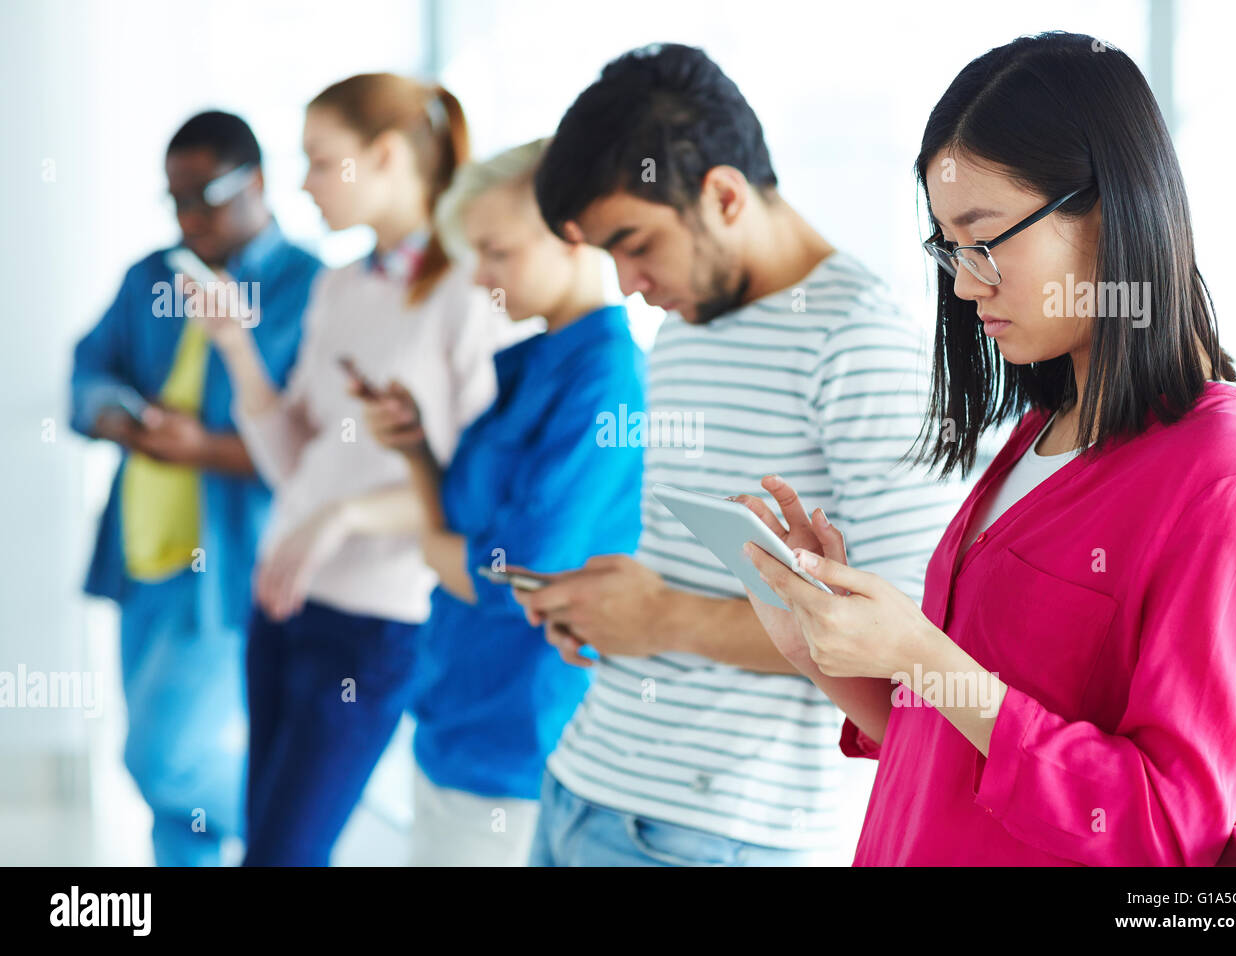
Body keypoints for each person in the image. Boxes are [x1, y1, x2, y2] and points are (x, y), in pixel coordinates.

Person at [739, 31, 1236, 866]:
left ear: (1110, 209)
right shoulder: (1040, 430)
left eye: (985, 239)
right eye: (949, 249)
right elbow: (955, 742)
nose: (964, 286)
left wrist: (924, 653)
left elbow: (1166, 832)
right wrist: (822, 650)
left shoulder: (1222, 485)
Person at [511, 44, 966, 866]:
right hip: (585, 779)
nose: (625, 284)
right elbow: (686, 563)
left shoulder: (860, 338)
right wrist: (605, 606)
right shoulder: (685, 329)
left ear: (722, 194)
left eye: (634, 243)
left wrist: (661, 619)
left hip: (714, 834)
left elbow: (912, 632)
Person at [202, 74, 512, 866]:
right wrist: (237, 350)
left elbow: (471, 492)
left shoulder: (473, 293)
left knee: (282, 855)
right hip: (282, 594)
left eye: (318, 159)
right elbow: (297, 462)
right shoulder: (341, 284)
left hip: (374, 621)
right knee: (261, 845)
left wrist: (340, 517)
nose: (301, 183)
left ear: (384, 157)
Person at [355, 138, 646, 865]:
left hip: (522, 735)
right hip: (459, 709)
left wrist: (438, 550)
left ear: (573, 237)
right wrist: (416, 451)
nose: (480, 278)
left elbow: (521, 579)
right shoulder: (532, 366)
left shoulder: (606, 383)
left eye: (497, 253)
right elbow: (461, 534)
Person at [70, 111, 322, 866]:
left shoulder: (308, 287)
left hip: (228, 561)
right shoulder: (153, 275)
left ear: (257, 183)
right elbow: (87, 372)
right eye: (174, 199)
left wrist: (201, 448)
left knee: (159, 758)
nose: (187, 218)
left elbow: (313, 446)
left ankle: (297, 824)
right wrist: (124, 419)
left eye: (204, 197)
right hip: (141, 555)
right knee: (169, 802)